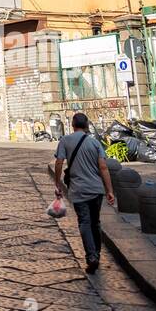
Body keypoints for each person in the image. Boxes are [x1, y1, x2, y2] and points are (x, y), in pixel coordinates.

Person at [53, 112, 114, 274]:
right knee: (96, 222)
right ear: (87, 125)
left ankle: (92, 257)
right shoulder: (95, 143)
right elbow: (103, 168)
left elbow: (59, 163)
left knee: (84, 222)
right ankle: (97, 254)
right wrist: (110, 190)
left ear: (72, 125)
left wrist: (57, 183)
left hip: (78, 190)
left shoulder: (65, 141)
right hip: (96, 190)